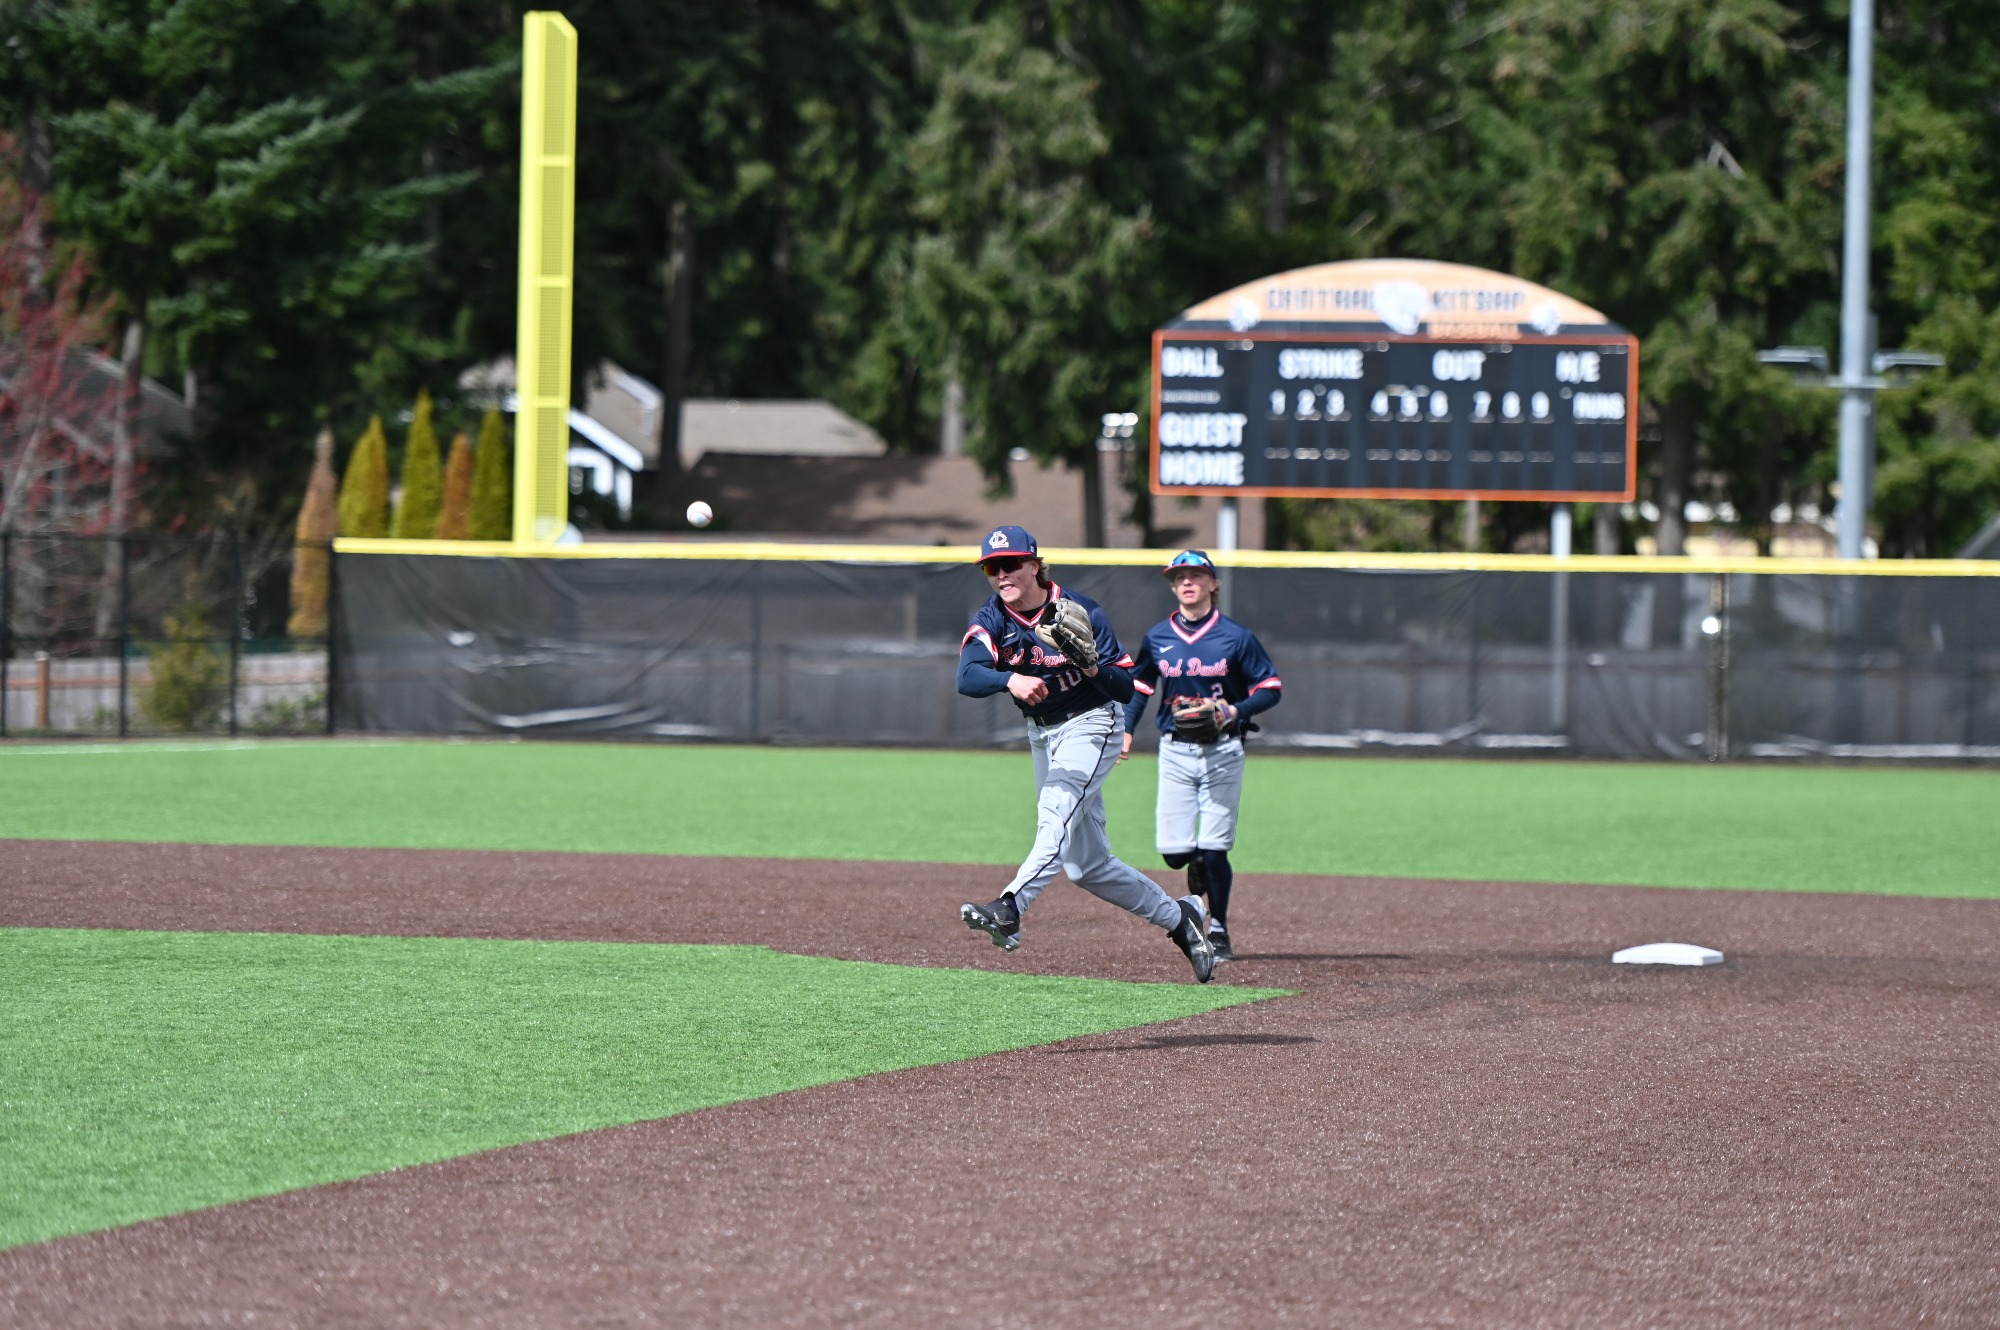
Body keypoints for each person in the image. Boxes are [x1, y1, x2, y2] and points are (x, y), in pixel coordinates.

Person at [956, 526, 1216, 983]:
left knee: (1055, 813)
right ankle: (1181, 918)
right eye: (991, 568)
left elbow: (1125, 687)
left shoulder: (1080, 611)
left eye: (1010, 564)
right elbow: (967, 676)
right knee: (1087, 866)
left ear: (1034, 565)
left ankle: (1010, 907)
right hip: (1042, 733)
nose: (1001, 575)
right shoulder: (993, 618)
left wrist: (1092, 665)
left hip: (1093, 722)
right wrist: (1009, 679)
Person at [1120, 549, 1282, 961]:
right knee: (1175, 854)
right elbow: (1140, 687)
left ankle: (1219, 928)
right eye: (1179, 577)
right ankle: (1195, 862)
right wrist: (1126, 729)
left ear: (1213, 583)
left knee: (1215, 848)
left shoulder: (1236, 637)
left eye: (1195, 575)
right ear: (1173, 586)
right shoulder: (1158, 637)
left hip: (1223, 750)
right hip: (1175, 751)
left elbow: (1270, 687)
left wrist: (1235, 710)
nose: (1187, 582)